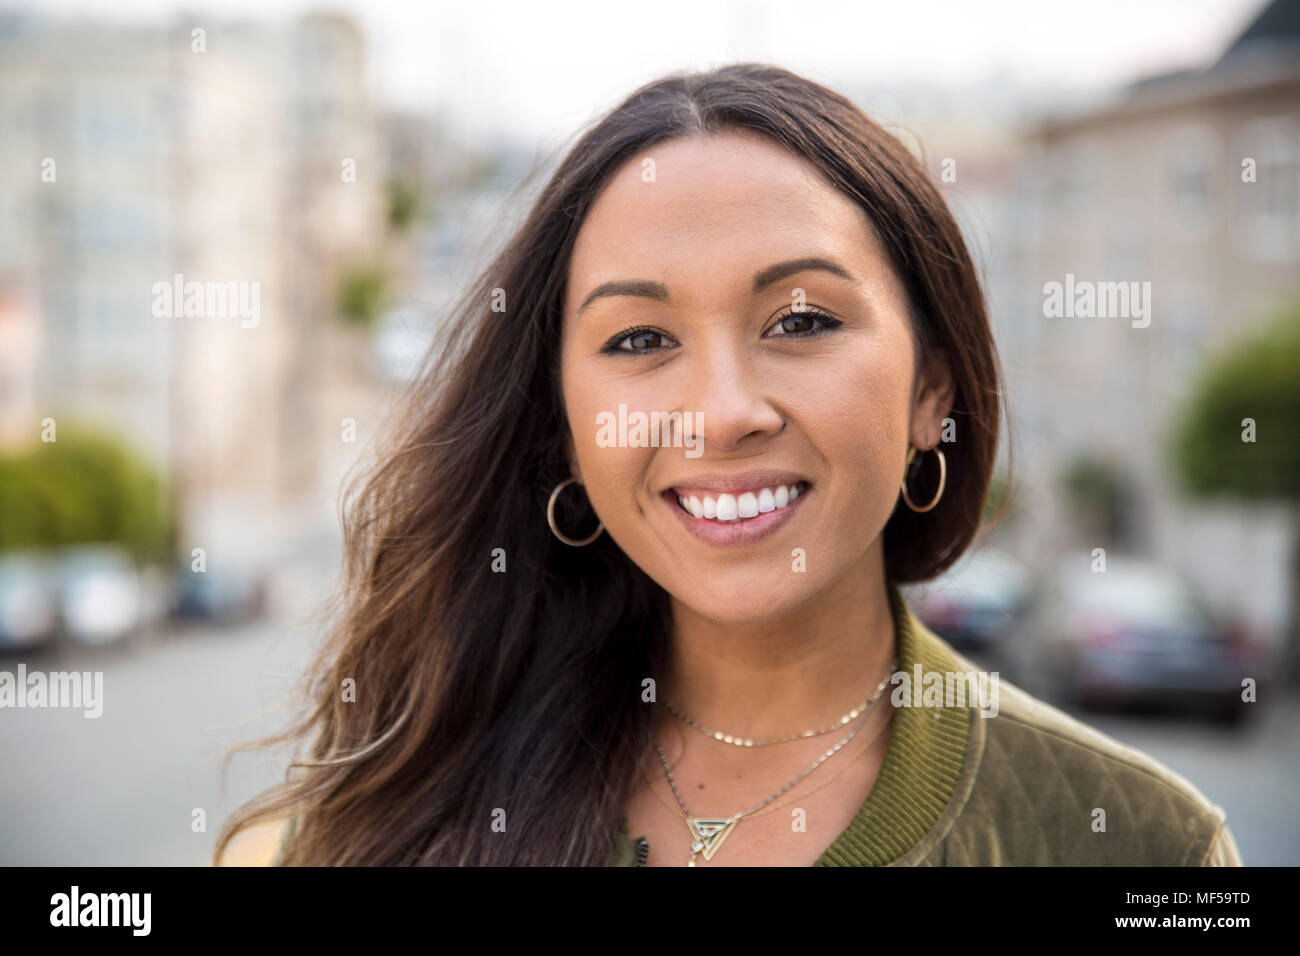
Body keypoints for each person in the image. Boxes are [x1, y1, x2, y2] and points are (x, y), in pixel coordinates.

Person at [216, 63, 1241, 867]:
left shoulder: (1143, 844)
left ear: (933, 389)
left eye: (800, 319)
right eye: (638, 339)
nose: (722, 414)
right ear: (565, 425)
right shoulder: (372, 821)